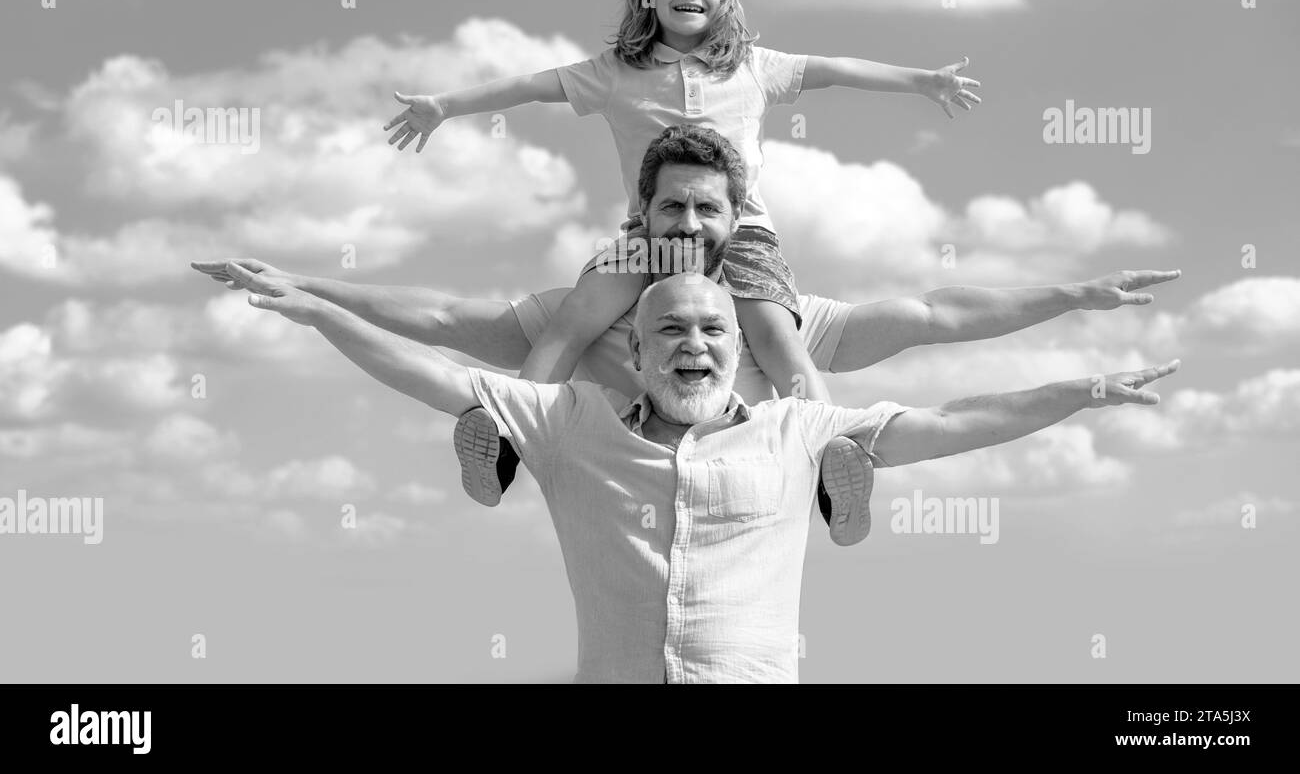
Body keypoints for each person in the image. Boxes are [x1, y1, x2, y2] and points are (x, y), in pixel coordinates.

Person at [206, 262, 1177, 683]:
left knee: (860, 444)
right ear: (634, 346)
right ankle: (488, 465)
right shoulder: (572, 420)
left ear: (738, 346)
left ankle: (849, 502)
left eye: (714, 329)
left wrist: (1083, 388)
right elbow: (433, 367)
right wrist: (316, 309)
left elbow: (955, 416)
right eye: (670, 328)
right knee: (483, 406)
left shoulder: (798, 427)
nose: (695, 344)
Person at [194, 131, 1180, 545]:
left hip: (747, 498)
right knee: (531, 367)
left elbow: (935, 317)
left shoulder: (762, 294)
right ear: (644, 212)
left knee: (806, 391)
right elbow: (454, 321)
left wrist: (1079, 294)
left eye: (705, 211)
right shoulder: (608, 286)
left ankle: (834, 477)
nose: (685, 228)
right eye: (669, 210)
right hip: (617, 491)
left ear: (732, 214)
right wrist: (310, 287)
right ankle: (498, 456)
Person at [382, 0, 982, 535]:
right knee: (578, 316)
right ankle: (507, 434)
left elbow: (834, 70)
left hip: (740, 234)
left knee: (776, 334)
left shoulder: (752, 67)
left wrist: (922, 81)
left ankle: (832, 462)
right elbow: (531, 88)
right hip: (652, 235)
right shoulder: (615, 72)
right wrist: (447, 105)